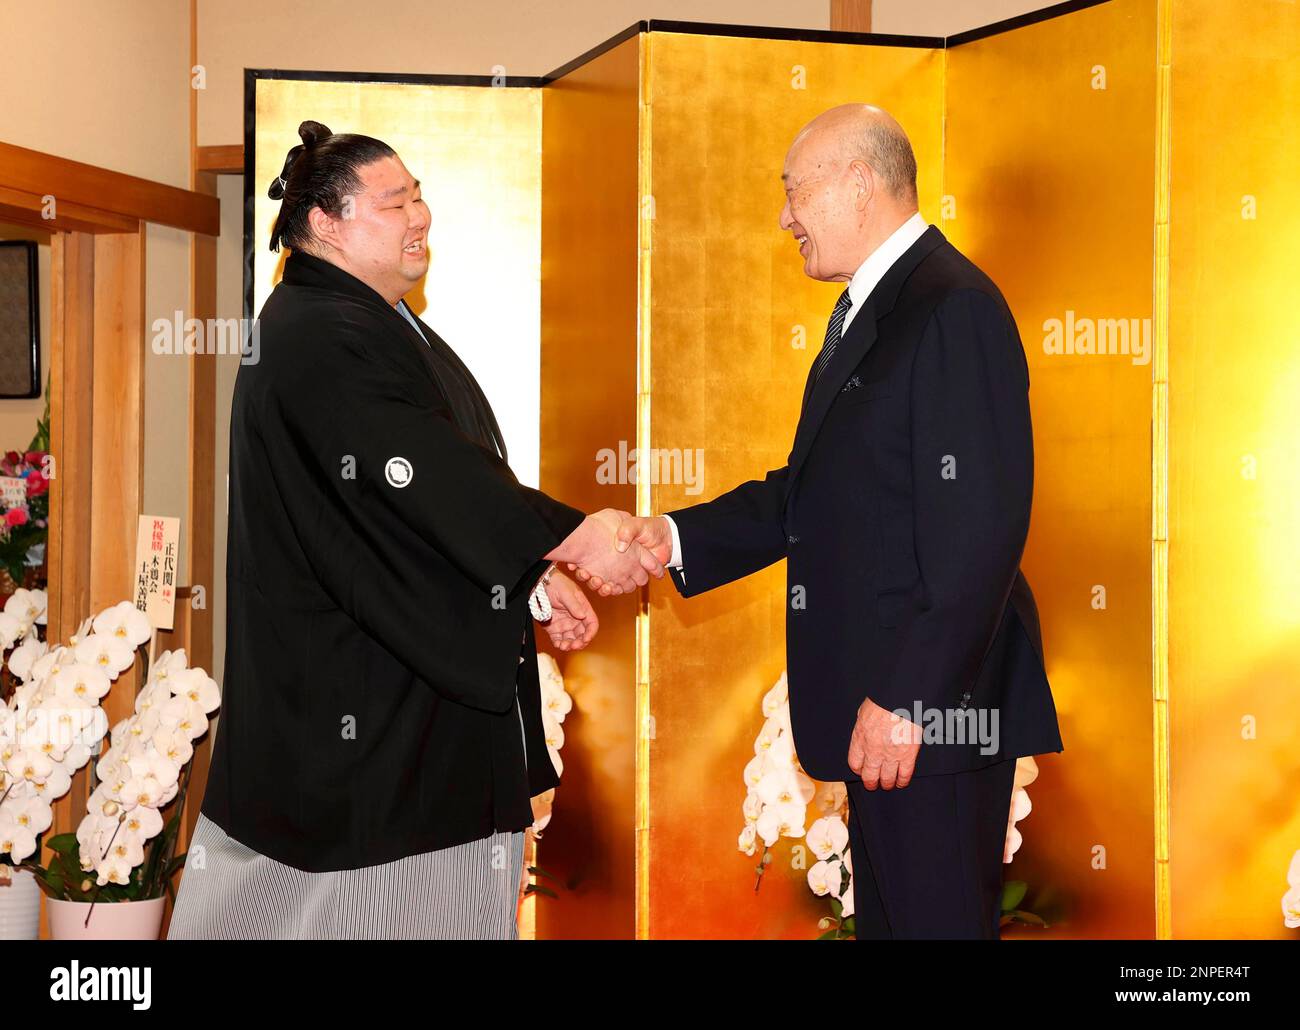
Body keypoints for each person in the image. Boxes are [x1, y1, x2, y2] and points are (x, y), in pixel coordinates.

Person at [168, 120, 658, 940]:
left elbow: (407, 504)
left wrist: (529, 579)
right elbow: (419, 470)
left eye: (419, 195)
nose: (420, 215)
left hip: (392, 689)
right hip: (364, 709)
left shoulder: (371, 321)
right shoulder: (315, 332)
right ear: (325, 223)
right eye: (395, 202)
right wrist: (571, 536)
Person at [608, 104, 1064, 939]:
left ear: (859, 183)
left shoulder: (951, 306)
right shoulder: (872, 307)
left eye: (793, 192)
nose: (785, 217)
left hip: (931, 719)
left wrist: (906, 701)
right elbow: (811, 496)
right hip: (887, 722)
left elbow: (983, 533)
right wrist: (670, 536)